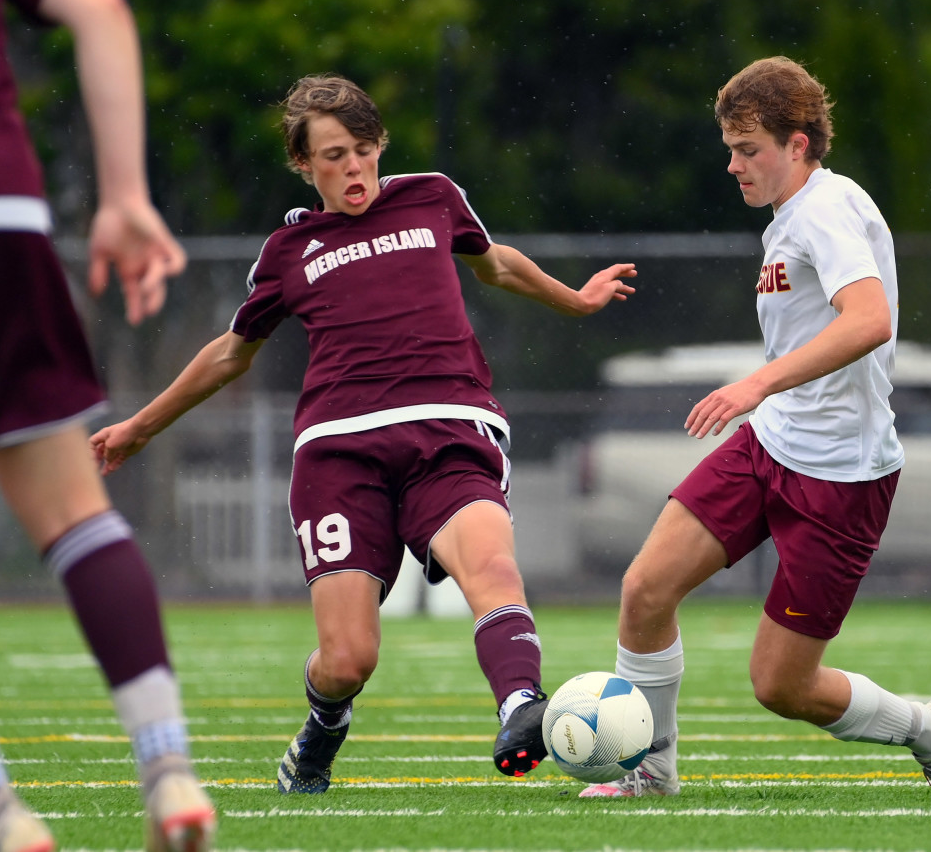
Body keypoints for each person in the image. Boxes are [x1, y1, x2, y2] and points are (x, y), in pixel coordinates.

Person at [90, 74, 637, 793]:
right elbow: (232, 352)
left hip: (448, 425)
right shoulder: (291, 249)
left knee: (493, 569)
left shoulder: (434, 197)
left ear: (380, 145)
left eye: (361, 150)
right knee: (347, 661)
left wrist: (575, 300)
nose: (352, 168)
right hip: (340, 450)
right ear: (304, 165)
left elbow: (494, 263)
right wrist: (140, 426)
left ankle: (520, 707)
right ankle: (321, 731)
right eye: (333, 156)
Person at [577, 56, 931, 799]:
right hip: (771, 445)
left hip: (842, 477)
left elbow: (870, 321)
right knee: (645, 591)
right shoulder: (793, 214)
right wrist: (769, 398)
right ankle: (650, 774)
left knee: (782, 686)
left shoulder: (825, 210)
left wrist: (756, 382)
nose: (733, 165)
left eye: (748, 148)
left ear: (799, 144)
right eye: (729, 147)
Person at [0, 0, 217, 850]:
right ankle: (169, 772)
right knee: (78, 516)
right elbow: (101, 5)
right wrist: (124, 194)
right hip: (0, 209)